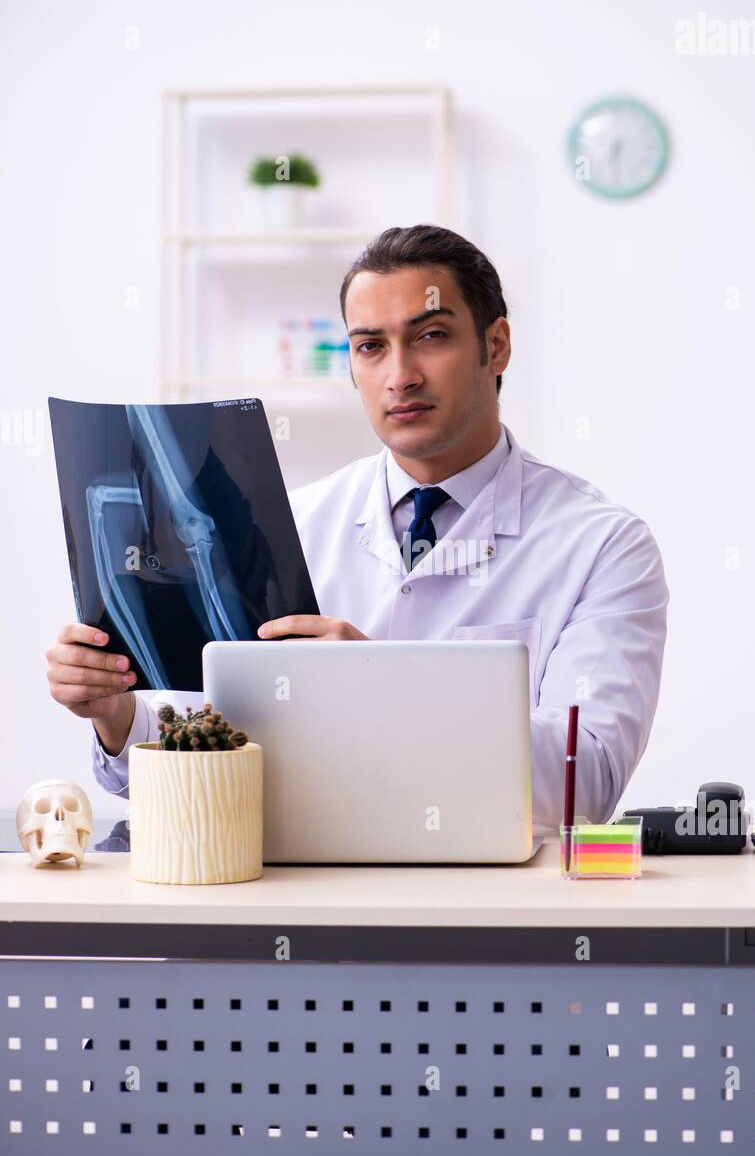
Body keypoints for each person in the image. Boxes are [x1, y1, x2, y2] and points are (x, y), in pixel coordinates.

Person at [45, 224, 668, 832]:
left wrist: (386, 687)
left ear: (496, 346)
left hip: (488, 910)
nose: (401, 375)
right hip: (297, 903)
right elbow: (214, 734)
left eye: (430, 336)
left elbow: (587, 782)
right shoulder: (295, 524)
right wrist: (120, 714)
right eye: (371, 346)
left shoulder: (603, 546)